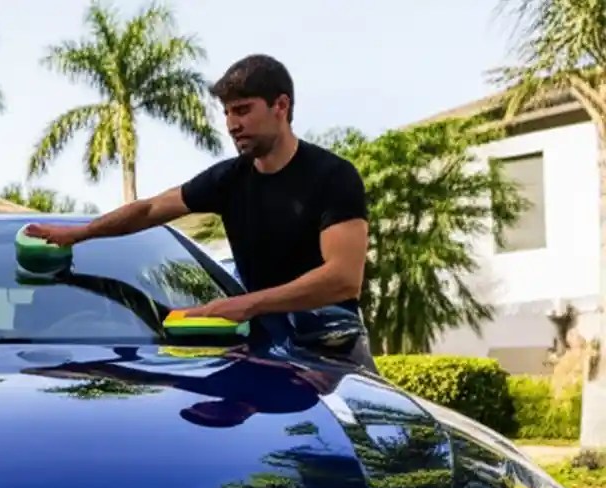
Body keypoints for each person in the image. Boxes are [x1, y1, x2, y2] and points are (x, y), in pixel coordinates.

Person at [23, 54, 375, 371]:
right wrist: (78, 234)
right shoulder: (228, 180)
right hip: (261, 341)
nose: (232, 124)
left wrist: (246, 305)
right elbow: (149, 209)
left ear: (280, 106)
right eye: (227, 113)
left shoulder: (333, 176)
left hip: (331, 344)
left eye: (243, 110)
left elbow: (342, 279)